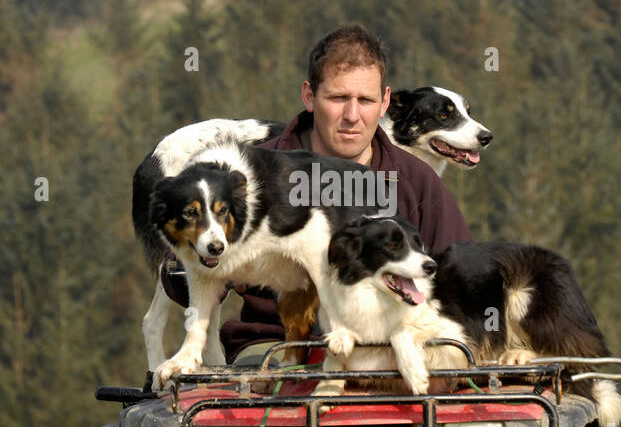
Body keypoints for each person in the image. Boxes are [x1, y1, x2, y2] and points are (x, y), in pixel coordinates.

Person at [162, 24, 474, 364]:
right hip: (272, 343)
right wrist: (186, 259)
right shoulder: (252, 175)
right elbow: (189, 265)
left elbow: (462, 275)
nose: (352, 116)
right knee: (253, 400)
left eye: (366, 100)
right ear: (310, 96)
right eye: (338, 98)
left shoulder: (414, 180)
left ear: (385, 101)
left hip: (385, 347)